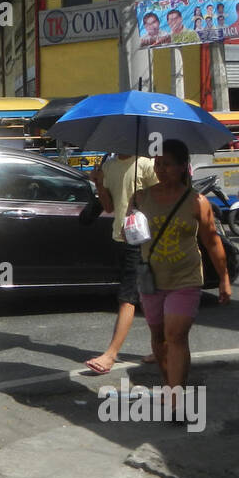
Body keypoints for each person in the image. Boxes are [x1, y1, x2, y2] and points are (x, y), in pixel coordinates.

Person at [130, 139, 232, 410]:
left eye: (167, 165)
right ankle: (168, 385)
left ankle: (177, 399)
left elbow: (212, 241)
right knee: (158, 337)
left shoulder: (197, 202)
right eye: (157, 164)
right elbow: (129, 234)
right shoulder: (142, 197)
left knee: (175, 336)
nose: (160, 170)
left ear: (182, 167)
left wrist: (223, 279)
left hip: (185, 279)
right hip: (151, 278)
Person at [85, 152, 159, 375]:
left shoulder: (146, 165)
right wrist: (98, 182)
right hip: (120, 236)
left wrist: (141, 201)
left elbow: (159, 200)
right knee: (147, 295)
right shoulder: (108, 167)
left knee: (127, 297)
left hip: (141, 239)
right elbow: (108, 207)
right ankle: (161, 347)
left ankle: (110, 355)